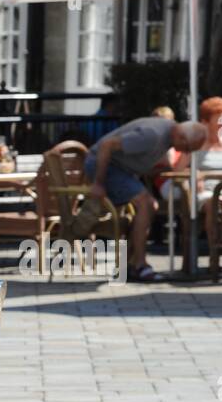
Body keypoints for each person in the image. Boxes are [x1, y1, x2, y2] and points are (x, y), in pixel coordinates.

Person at [85, 115, 206, 281]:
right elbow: (107, 145)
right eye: (187, 148)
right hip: (104, 165)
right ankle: (140, 265)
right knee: (146, 203)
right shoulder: (153, 135)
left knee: (151, 206)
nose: (185, 152)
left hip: (121, 169)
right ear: (181, 137)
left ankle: (128, 264)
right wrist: (98, 183)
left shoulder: (169, 135)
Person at [162, 97, 222, 256]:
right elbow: (177, 171)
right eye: (219, 120)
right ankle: (214, 255)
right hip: (207, 192)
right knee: (213, 202)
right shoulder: (196, 144)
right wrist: (193, 173)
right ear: (205, 122)